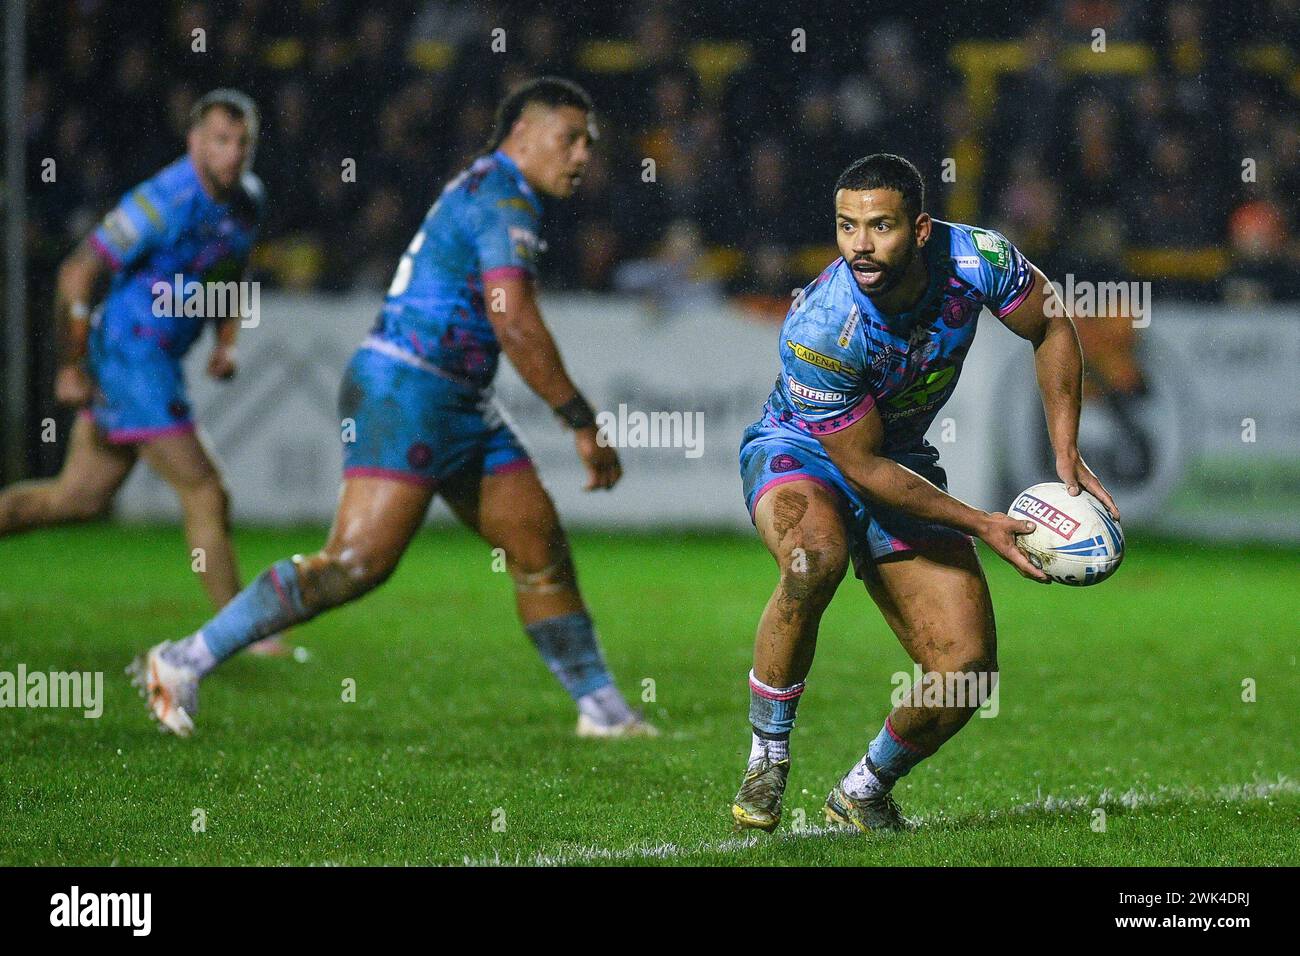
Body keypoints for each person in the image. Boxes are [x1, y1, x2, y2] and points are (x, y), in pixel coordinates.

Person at [130, 78, 656, 740]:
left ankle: (602, 709)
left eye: (589, 143)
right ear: (522, 136)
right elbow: (514, 322)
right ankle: (184, 659)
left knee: (536, 542)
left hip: (458, 399)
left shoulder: (496, 189)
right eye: (569, 138)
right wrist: (581, 421)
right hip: (409, 388)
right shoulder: (501, 196)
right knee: (354, 564)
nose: (582, 155)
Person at [731, 153, 1119, 833]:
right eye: (846, 226)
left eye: (878, 226)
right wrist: (979, 523)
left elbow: (1052, 323)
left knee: (966, 669)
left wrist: (1065, 448)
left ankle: (863, 790)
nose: (859, 245)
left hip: (898, 458)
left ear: (919, 228)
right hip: (803, 452)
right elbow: (860, 467)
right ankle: (767, 756)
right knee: (813, 557)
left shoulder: (981, 261)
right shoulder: (822, 326)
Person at [0, 88, 288, 657]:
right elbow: (76, 273)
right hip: (130, 360)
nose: (232, 155)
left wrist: (225, 343)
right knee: (205, 488)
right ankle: (243, 638)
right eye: (220, 141)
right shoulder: (161, 202)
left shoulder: (246, 203)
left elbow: (228, 278)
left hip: (158, 363)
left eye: (243, 144)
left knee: (77, 500)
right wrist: (70, 364)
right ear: (194, 143)